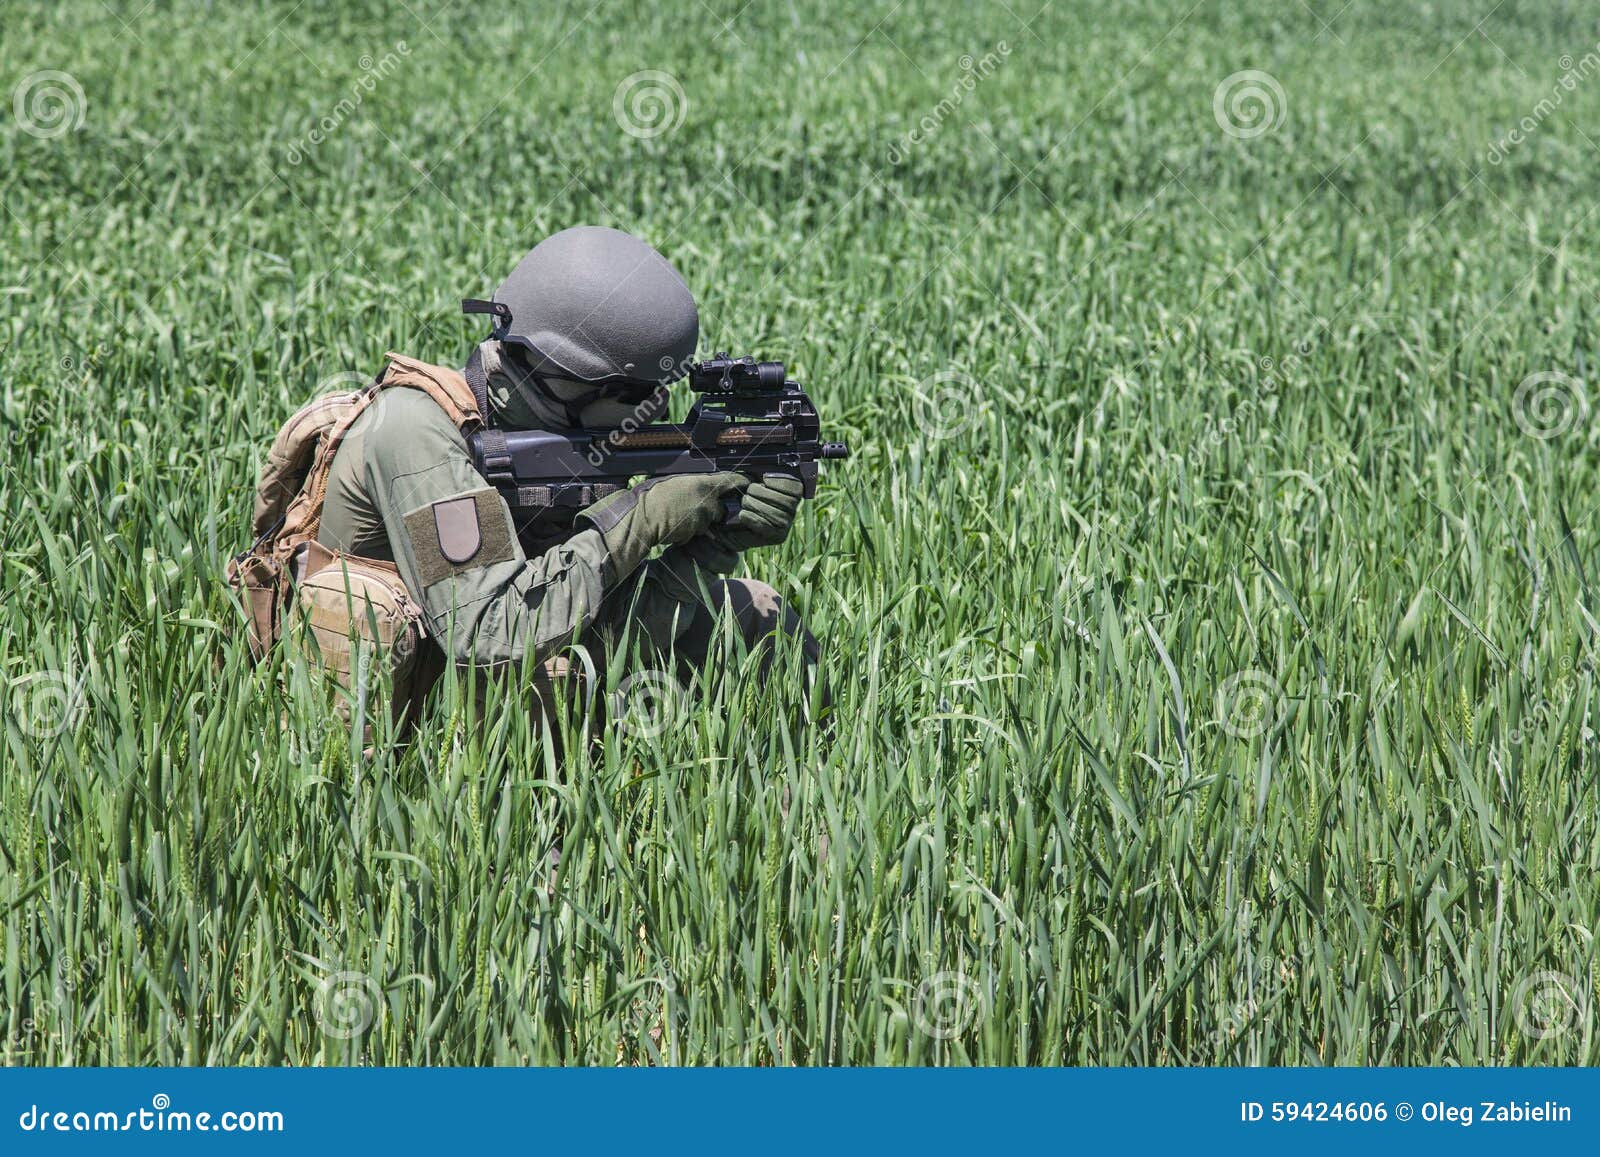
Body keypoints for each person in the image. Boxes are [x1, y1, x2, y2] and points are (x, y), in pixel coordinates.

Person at [304, 225, 820, 728]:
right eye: (638, 397)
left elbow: (598, 631)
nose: (650, 413)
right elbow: (487, 634)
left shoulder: (573, 441)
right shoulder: (414, 432)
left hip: (508, 672)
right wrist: (643, 516)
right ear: (569, 381)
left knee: (757, 617)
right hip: (414, 705)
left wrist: (710, 549)